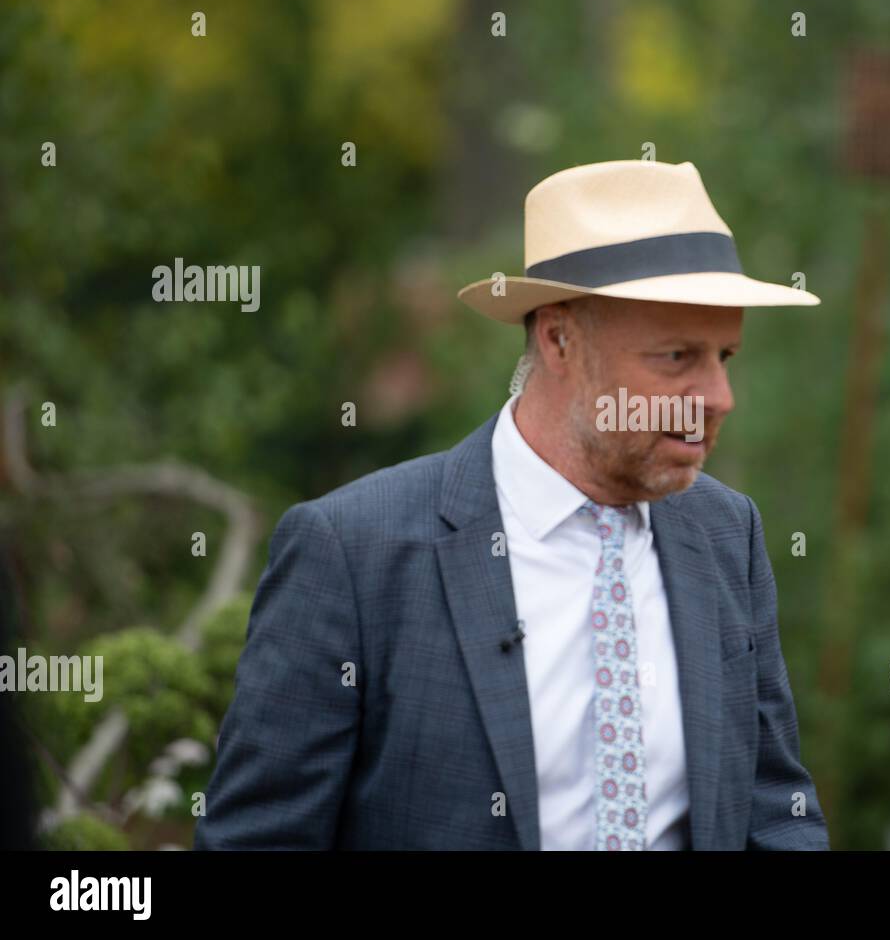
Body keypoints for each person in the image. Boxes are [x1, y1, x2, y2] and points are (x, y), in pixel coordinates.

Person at [194, 159, 829, 850]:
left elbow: (774, 812)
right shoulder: (352, 551)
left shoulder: (726, 533)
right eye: (677, 358)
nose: (717, 399)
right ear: (560, 340)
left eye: (724, 357)